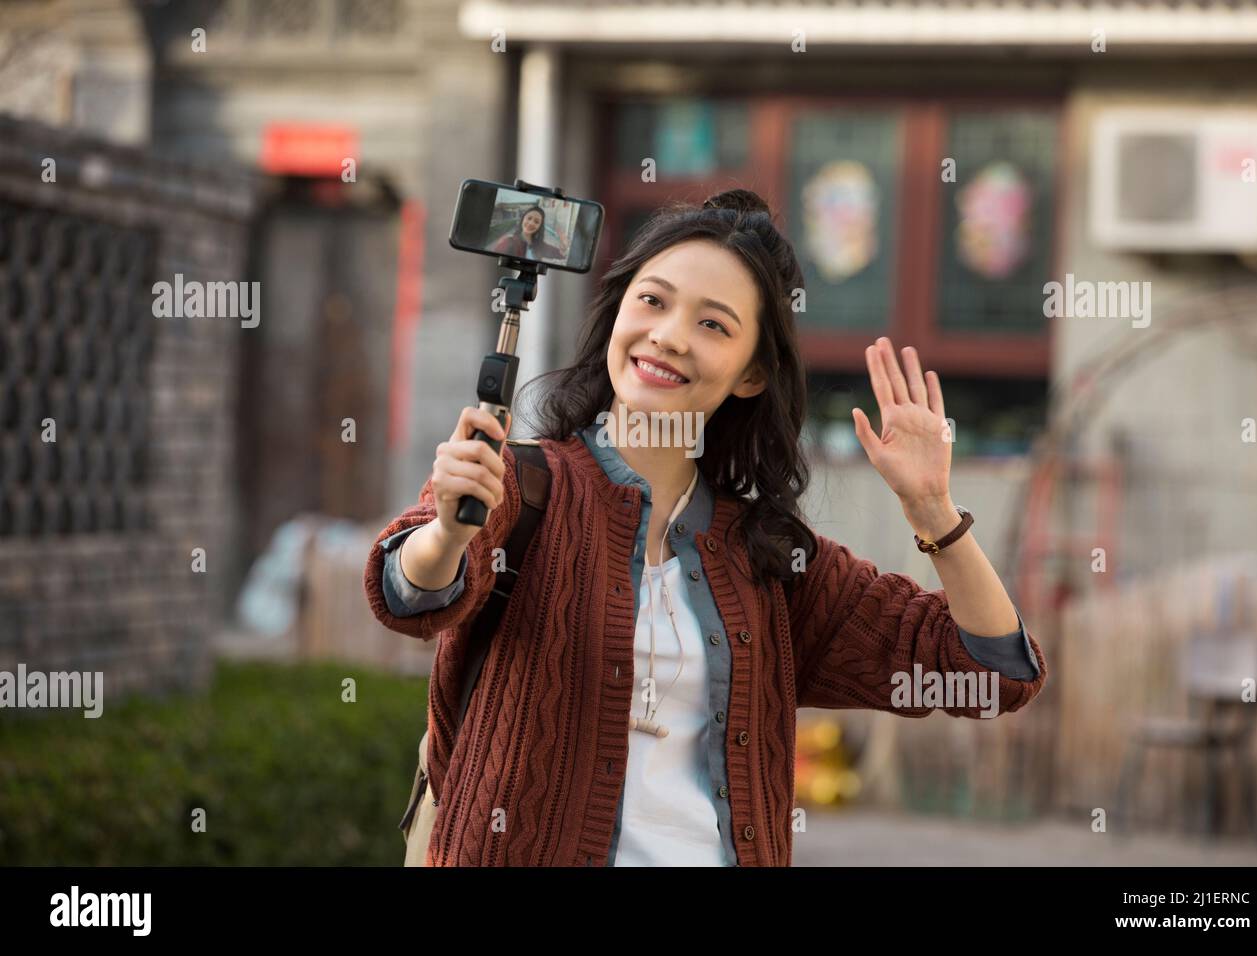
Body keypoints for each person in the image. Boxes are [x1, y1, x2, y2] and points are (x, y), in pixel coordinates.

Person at [363, 189, 1048, 867]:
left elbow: (990, 674)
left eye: (713, 325)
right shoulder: (520, 485)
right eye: (652, 300)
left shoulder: (769, 557)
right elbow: (408, 594)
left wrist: (935, 512)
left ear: (752, 375)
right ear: (619, 311)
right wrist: (449, 534)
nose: (668, 335)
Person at [489, 204, 566, 263]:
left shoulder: (540, 245)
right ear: (523, 219)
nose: (531, 223)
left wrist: (563, 242)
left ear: (539, 226)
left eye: (536, 222)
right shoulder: (508, 241)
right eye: (529, 218)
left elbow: (561, 255)